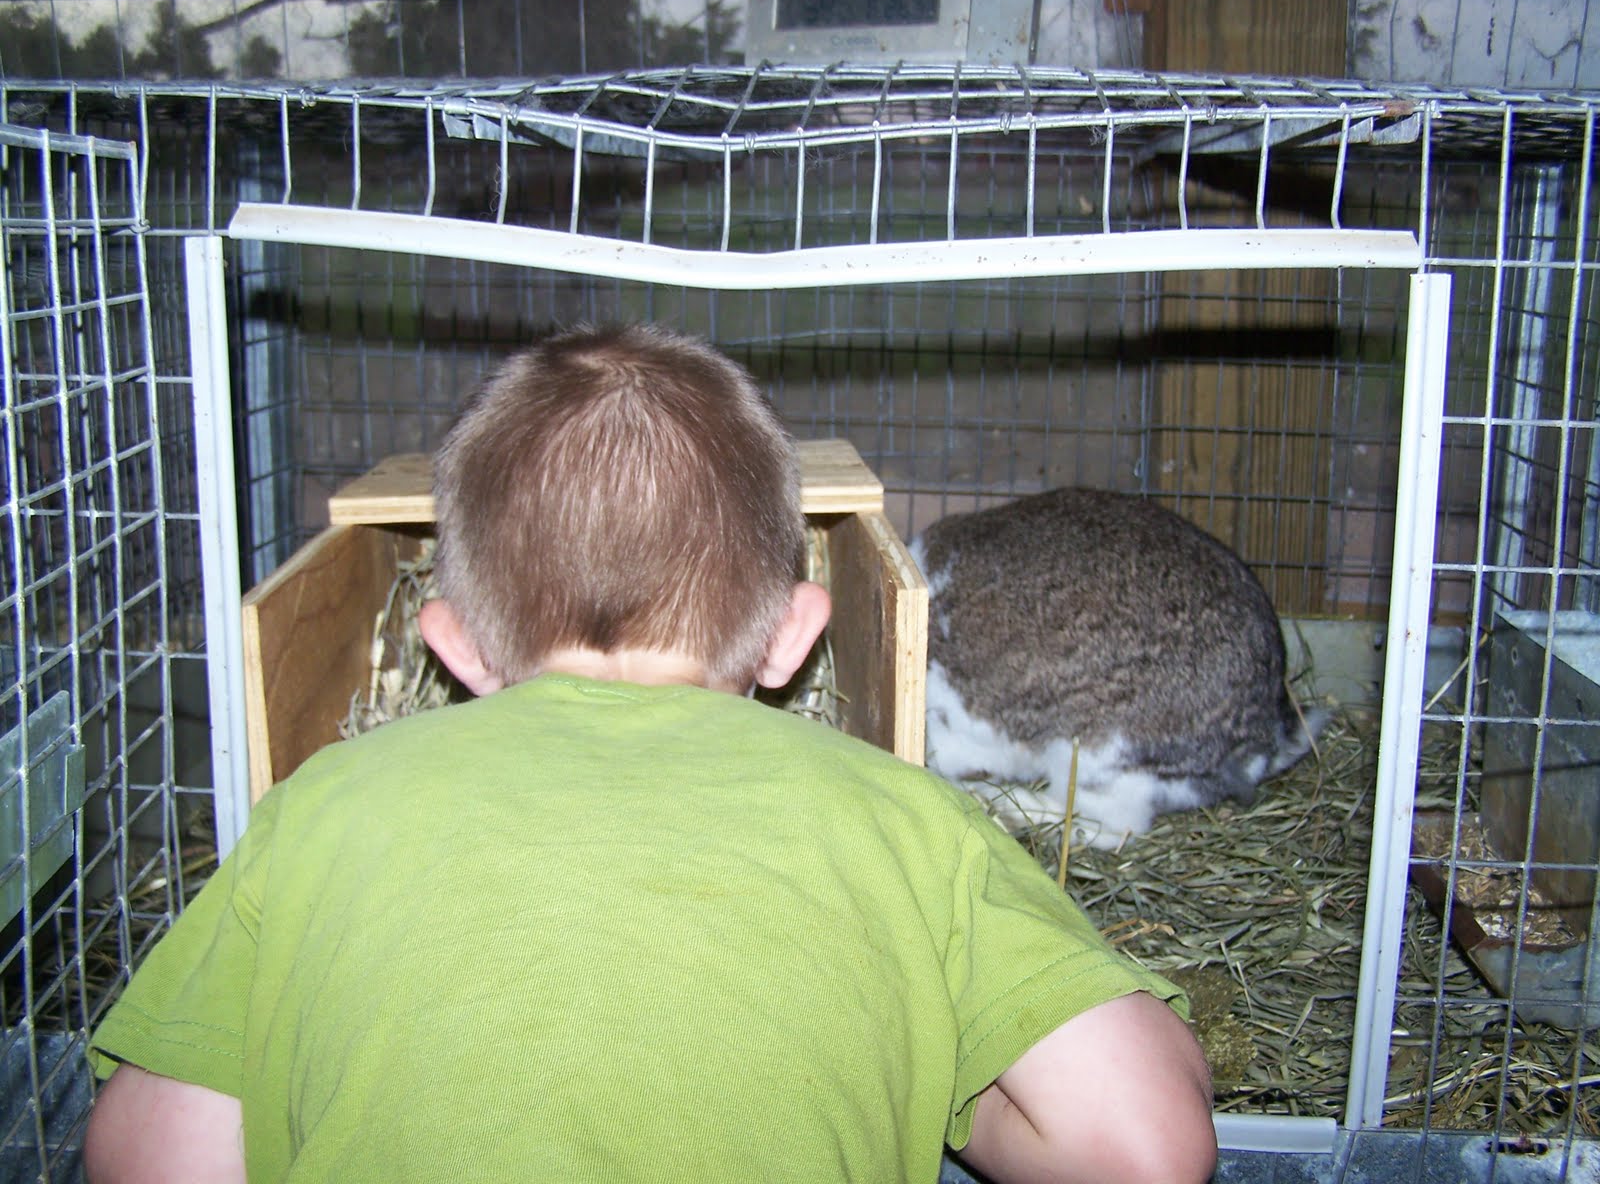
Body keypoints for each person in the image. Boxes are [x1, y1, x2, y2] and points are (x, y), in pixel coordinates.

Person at [84, 325, 1216, 1184]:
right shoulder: (900, 816)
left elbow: (147, 1156)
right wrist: (946, 1087)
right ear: (793, 636)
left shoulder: (324, 808)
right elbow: (1150, 1145)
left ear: (453, 648)